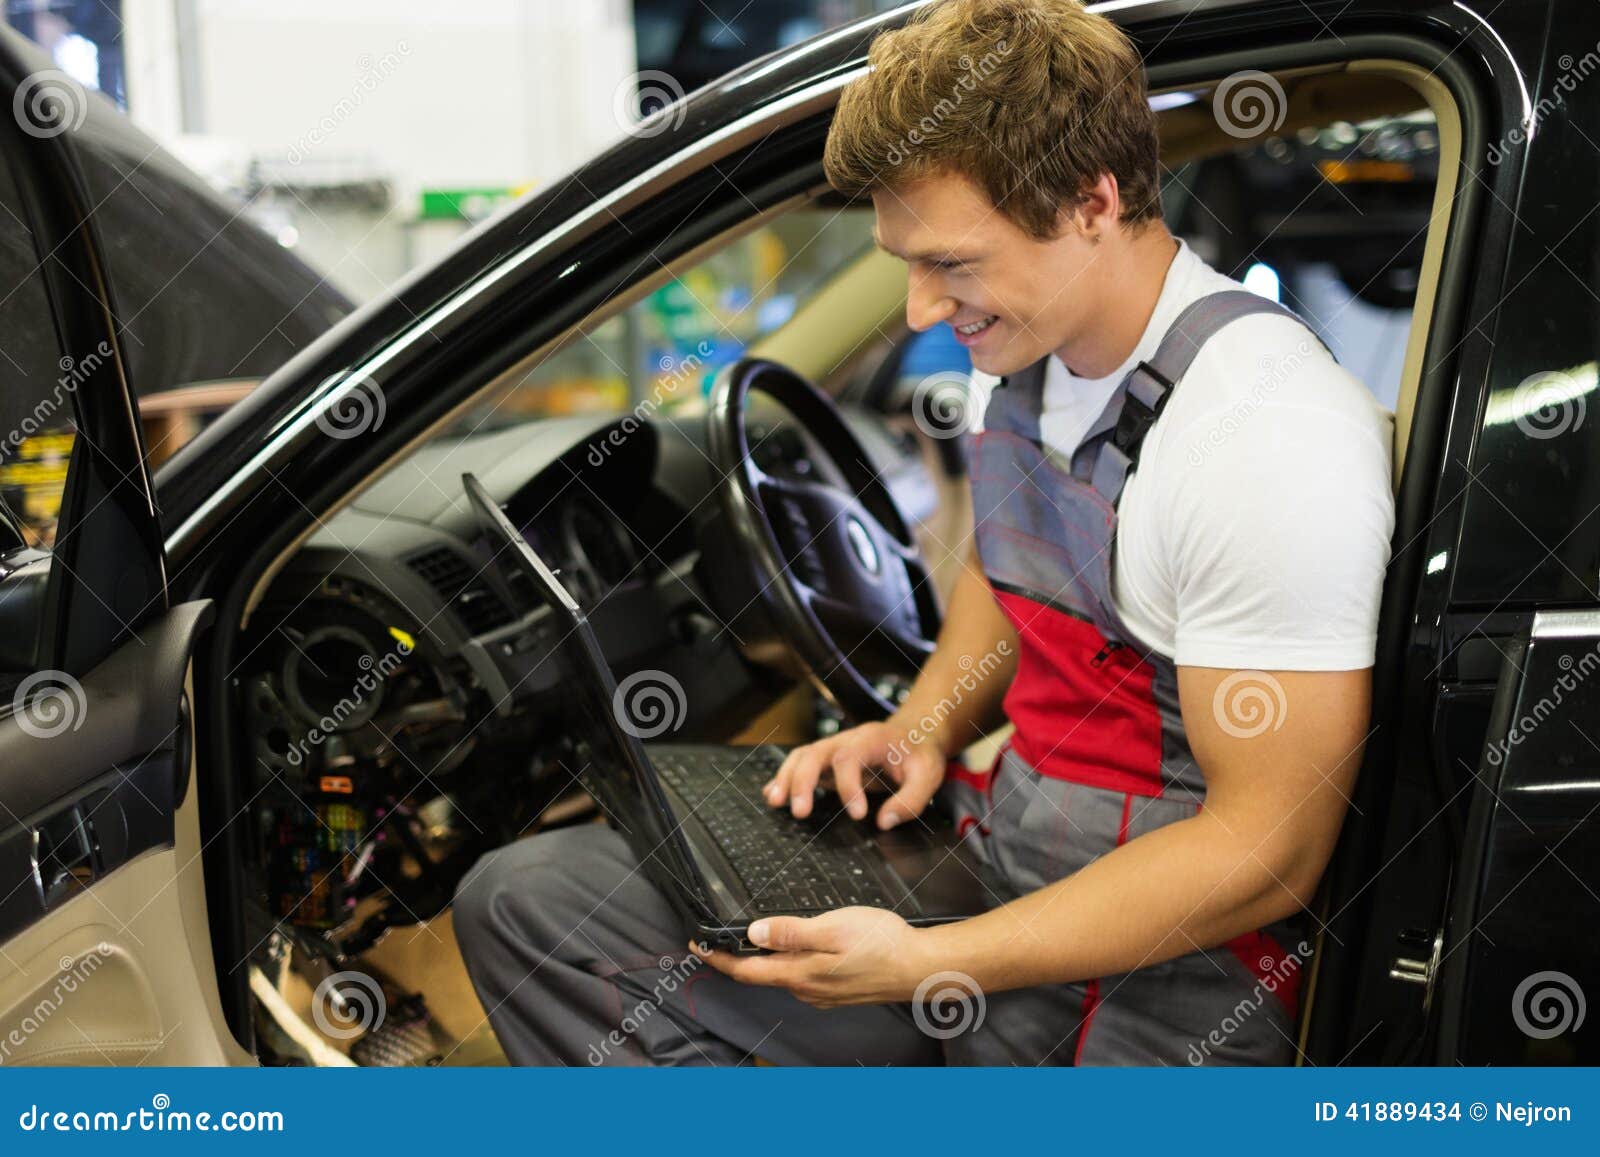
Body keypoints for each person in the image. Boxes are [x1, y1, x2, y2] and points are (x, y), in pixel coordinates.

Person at [452, 0, 1395, 1065]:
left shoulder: (1258, 437)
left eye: (950, 262)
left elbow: (1266, 850)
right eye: (904, 261)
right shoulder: (1035, 362)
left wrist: (930, 963)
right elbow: (1019, 582)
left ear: (1091, 203)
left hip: (1174, 973)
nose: (914, 312)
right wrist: (922, 726)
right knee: (534, 904)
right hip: (1012, 856)